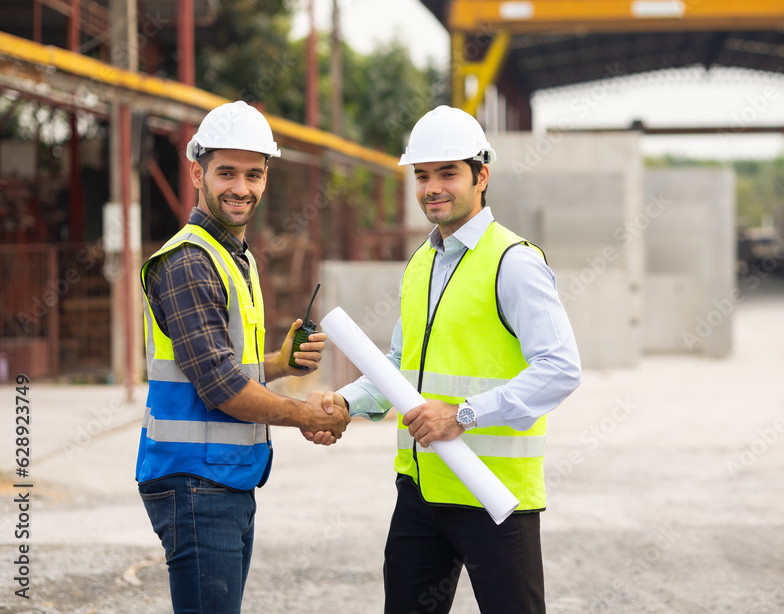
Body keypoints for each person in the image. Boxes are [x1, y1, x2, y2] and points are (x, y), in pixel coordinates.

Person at [307, 105, 582, 613]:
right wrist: (341, 404)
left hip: (493, 496)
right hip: (421, 493)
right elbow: (398, 366)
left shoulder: (513, 262)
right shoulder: (422, 263)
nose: (432, 187)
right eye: (422, 176)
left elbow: (560, 368)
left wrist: (463, 414)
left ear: (482, 176)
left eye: (448, 173)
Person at [136, 100, 350, 613]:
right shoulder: (189, 262)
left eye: (253, 174)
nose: (241, 187)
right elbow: (221, 388)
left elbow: (223, 365)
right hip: (195, 482)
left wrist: (280, 363)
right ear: (197, 172)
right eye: (226, 172)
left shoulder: (236, 255)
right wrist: (307, 415)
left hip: (226, 476)